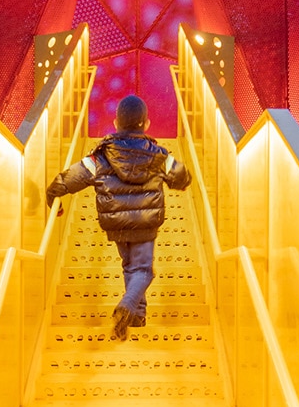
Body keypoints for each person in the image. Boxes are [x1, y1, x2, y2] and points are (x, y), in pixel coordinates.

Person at [46, 94, 191, 341]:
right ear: (146, 124)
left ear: (116, 123)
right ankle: (126, 307)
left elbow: (72, 178)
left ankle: (136, 318)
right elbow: (182, 177)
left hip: (117, 225)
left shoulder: (100, 156)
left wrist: (53, 196)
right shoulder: (158, 155)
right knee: (143, 272)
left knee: (130, 266)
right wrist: (179, 178)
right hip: (146, 222)